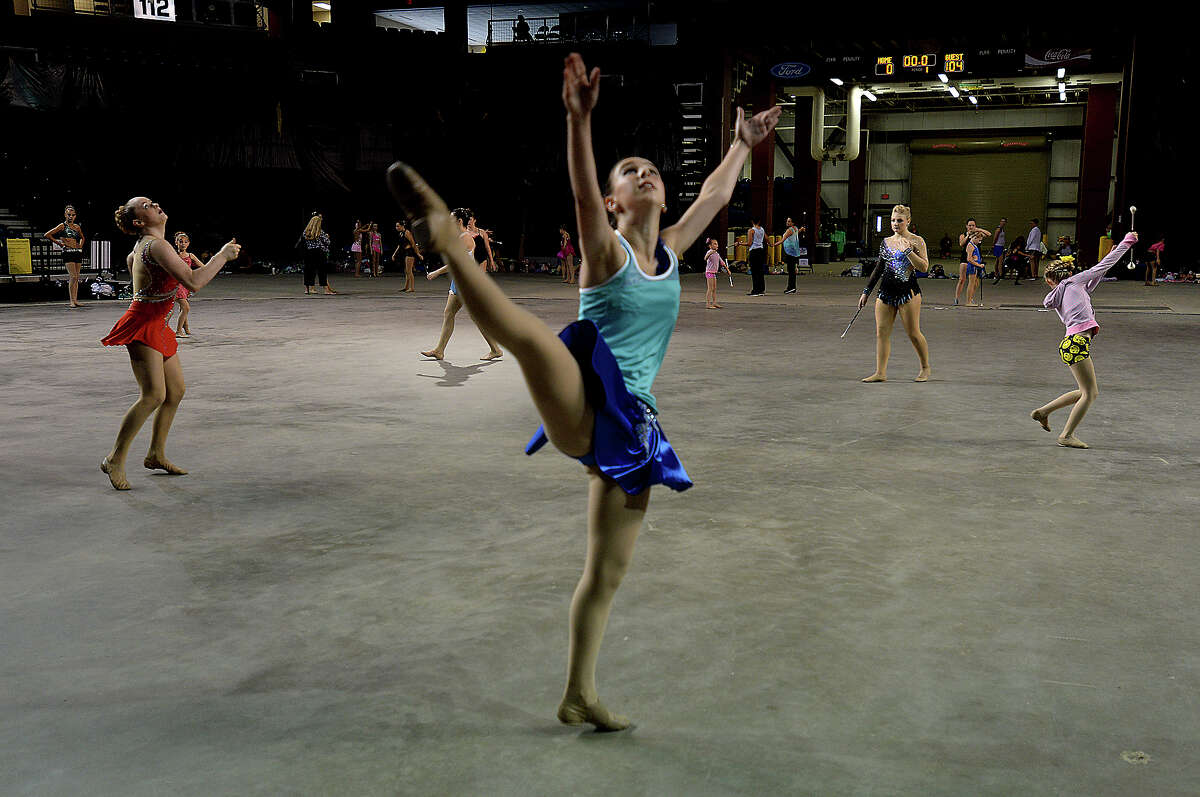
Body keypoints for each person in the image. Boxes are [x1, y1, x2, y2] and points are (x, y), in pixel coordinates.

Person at [386, 51, 779, 731]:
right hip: (582, 394)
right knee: (536, 339)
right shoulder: (605, 252)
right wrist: (578, 120)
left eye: (651, 170)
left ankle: (578, 693)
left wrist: (742, 144)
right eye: (629, 172)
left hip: (633, 431)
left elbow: (715, 196)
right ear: (612, 201)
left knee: (604, 575)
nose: (645, 173)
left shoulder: (671, 251)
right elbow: (579, 197)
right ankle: (447, 239)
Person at [100, 197, 240, 490]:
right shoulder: (156, 246)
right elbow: (193, 281)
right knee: (152, 395)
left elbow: (133, 264)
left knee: (175, 391)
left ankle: (155, 454)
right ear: (139, 222)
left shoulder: (144, 246)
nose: (154, 204)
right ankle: (114, 458)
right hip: (144, 325)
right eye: (146, 205)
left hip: (158, 324)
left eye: (152, 201)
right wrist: (222, 256)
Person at [1031, 232, 1138, 449]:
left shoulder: (1067, 290)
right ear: (1069, 274)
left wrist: (1108, 256)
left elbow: (1098, 273)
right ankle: (1066, 435)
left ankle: (1043, 412)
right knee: (1090, 393)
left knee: (1084, 391)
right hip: (1076, 343)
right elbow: (1102, 267)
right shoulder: (1073, 282)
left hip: (1070, 344)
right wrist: (1127, 242)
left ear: (1050, 281)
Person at [858, 204, 931, 383]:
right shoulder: (886, 242)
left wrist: (908, 252)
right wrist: (866, 292)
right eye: (892, 220)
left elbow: (924, 267)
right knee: (881, 333)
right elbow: (879, 268)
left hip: (908, 292)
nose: (895, 224)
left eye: (899, 220)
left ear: (908, 221)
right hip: (886, 292)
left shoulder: (916, 241)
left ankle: (925, 367)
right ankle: (880, 372)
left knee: (913, 333)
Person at [420, 207, 504, 361]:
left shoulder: (465, 238)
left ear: (459, 221)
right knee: (449, 313)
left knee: (476, 317)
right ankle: (439, 350)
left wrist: (436, 273)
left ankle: (496, 349)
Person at [44, 205, 86, 308]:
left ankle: (75, 300)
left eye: (73, 215)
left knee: (77, 277)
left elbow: (82, 237)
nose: (71, 217)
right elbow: (47, 235)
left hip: (77, 252)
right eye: (69, 215)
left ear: (75, 216)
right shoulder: (62, 226)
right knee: (73, 276)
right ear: (65, 215)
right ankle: (71, 300)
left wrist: (80, 245)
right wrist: (60, 244)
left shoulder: (77, 227)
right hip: (68, 252)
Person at [170, 232, 202, 337]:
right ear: (176, 243)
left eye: (185, 242)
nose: (183, 244)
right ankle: (178, 331)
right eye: (180, 241)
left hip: (185, 284)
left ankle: (186, 328)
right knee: (186, 307)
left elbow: (203, 267)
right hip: (176, 284)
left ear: (188, 243)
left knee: (183, 307)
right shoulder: (172, 255)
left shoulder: (190, 256)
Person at [954, 218, 990, 306]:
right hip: (965, 258)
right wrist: (968, 236)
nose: (971, 227)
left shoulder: (978, 234)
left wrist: (978, 229)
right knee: (962, 279)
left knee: (975, 282)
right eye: (969, 225)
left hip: (976, 258)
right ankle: (956, 298)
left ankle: (970, 297)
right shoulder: (963, 235)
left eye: (973, 225)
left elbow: (988, 234)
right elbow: (961, 244)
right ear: (966, 226)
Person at [303, 212, 336, 295]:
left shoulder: (305, 232)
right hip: (319, 252)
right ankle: (326, 290)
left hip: (309, 252)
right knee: (322, 271)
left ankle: (307, 289)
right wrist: (327, 237)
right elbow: (327, 242)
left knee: (309, 270)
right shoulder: (320, 232)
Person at [391, 219, 423, 292]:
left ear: (402, 226)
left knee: (409, 271)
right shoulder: (401, 233)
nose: (396, 228)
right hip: (405, 252)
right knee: (406, 271)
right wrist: (394, 254)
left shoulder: (407, 232)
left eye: (398, 226)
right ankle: (406, 287)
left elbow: (413, 243)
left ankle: (412, 288)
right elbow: (399, 245)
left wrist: (418, 254)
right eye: (396, 226)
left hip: (410, 252)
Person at [704, 236, 731, 308]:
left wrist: (728, 270)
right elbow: (705, 258)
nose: (717, 245)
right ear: (710, 246)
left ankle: (714, 302)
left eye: (717, 244)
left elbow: (722, 262)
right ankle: (708, 304)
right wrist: (710, 253)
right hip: (709, 272)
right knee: (710, 288)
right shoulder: (709, 252)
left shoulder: (717, 254)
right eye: (715, 244)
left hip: (713, 273)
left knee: (714, 289)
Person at [780, 217, 803, 294]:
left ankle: (791, 287)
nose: (787, 222)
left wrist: (773, 244)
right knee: (792, 270)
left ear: (793, 223)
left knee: (791, 270)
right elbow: (796, 233)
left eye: (789, 221)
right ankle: (792, 287)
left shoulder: (789, 230)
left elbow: (783, 239)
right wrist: (801, 230)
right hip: (794, 251)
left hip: (790, 252)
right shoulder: (795, 228)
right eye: (787, 221)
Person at [963, 230, 986, 307]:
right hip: (972, 266)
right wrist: (979, 265)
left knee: (976, 283)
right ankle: (968, 301)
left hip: (975, 266)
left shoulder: (974, 245)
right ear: (975, 237)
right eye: (979, 240)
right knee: (971, 283)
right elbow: (969, 259)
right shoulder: (970, 246)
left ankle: (971, 298)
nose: (979, 242)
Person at [746, 218, 766, 295]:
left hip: (754, 251)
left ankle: (755, 290)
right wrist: (770, 244)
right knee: (760, 271)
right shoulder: (762, 229)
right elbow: (766, 238)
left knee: (754, 271)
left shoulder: (751, 230)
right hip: (761, 251)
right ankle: (761, 290)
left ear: (752, 221)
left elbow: (749, 243)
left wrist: (739, 244)